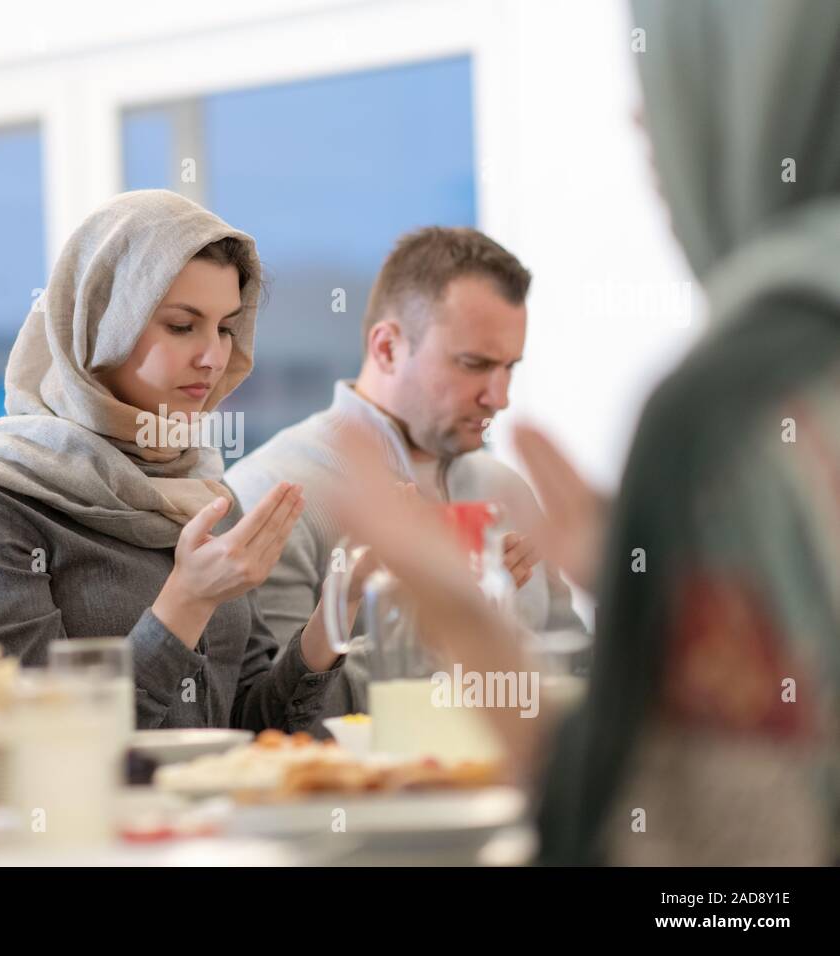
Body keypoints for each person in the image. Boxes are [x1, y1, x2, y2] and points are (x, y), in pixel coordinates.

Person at [329, 0, 840, 866]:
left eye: (663, 97)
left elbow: (717, 883)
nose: (646, 125)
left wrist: (460, 623)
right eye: (472, 365)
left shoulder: (733, 405)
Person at [0, 189, 345, 732]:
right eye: (181, 325)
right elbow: (43, 738)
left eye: (225, 328)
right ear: (103, 323)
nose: (212, 356)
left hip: (204, 818)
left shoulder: (203, 491)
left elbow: (248, 726)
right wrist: (186, 602)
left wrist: (335, 613)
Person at [227, 227, 583, 718]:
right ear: (388, 347)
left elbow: (578, 676)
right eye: (474, 364)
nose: (499, 397)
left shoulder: (507, 489)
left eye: (509, 368)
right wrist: (450, 624)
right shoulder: (274, 495)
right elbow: (280, 724)